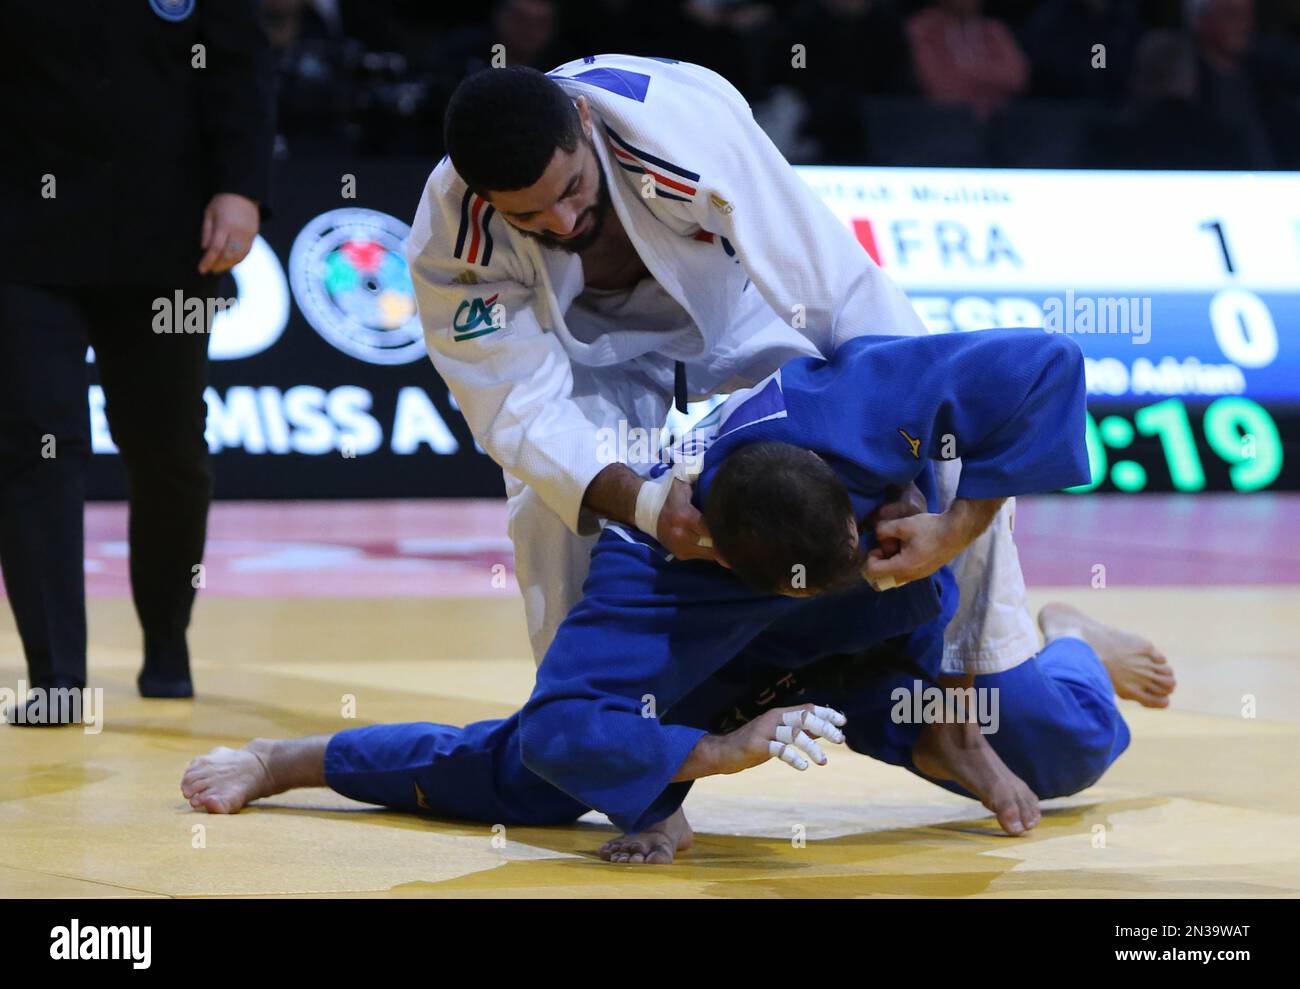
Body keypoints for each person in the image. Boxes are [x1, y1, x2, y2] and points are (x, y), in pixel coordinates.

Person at [182, 329, 1175, 862]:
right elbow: (564, 723)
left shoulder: (853, 419)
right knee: (533, 782)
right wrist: (701, 757)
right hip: (729, 674)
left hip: (887, 643)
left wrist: (949, 535)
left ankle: (1068, 634)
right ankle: (293, 758)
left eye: (854, 540)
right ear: (717, 557)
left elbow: (1047, 363)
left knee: (1061, 747)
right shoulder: (655, 568)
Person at [407, 55, 1040, 699]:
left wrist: (905, 466)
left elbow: (840, 292)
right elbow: (516, 407)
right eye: (530, 218)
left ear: (583, 117)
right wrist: (647, 506)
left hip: (745, 308)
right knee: (548, 512)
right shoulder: (449, 239)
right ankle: (596, 725)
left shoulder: (685, 129)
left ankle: (985, 673)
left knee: (941, 422)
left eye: (571, 190)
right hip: (590, 357)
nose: (564, 224)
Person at [0, 0, 274, 719]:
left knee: (168, 448)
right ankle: (56, 679)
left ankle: (166, 641)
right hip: (23, 235)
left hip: (168, 236)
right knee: (36, 446)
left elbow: (241, 65)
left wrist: (242, 185)